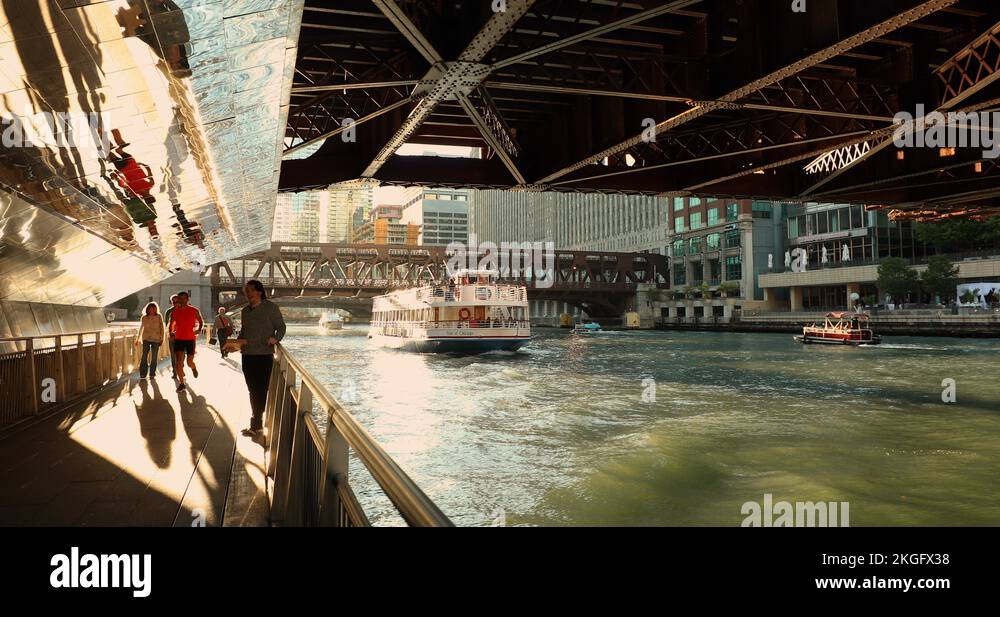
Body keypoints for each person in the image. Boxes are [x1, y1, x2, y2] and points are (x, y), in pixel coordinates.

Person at [226, 280, 286, 438]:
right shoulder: (245, 311)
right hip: (247, 355)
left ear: (259, 291)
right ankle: (257, 423)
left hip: (264, 355)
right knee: (252, 389)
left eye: (251, 290)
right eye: (246, 290)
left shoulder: (271, 308)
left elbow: (281, 327)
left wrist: (275, 338)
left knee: (261, 389)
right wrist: (235, 345)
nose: (248, 293)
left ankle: (256, 423)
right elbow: (244, 333)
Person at [167, 291, 203, 393]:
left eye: (184, 298)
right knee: (179, 362)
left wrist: (199, 329)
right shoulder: (175, 312)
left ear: (187, 299)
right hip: (179, 339)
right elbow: (172, 324)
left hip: (190, 339)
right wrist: (171, 332)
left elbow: (200, 321)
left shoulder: (194, 310)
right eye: (180, 298)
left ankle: (193, 367)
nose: (182, 300)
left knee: (189, 362)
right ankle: (182, 384)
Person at [135, 302, 164, 379]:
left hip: (156, 339)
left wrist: (161, 339)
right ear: (147, 309)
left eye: (154, 309)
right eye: (150, 309)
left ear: (156, 309)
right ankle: (143, 373)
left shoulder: (159, 316)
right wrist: (137, 339)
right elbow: (141, 328)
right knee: (144, 356)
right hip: (146, 338)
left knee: (154, 357)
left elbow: (162, 328)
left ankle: (152, 373)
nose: (152, 310)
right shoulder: (144, 317)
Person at [163, 294, 180, 379]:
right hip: (172, 336)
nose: (175, 303)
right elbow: (166, 324)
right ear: (171, 302)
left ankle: (180, 369)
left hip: (182, 336)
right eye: (173, 302)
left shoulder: (183, 310)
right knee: (173, 355)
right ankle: (175, 372)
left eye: (177, 301)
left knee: (180, 355)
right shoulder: (168, 312)